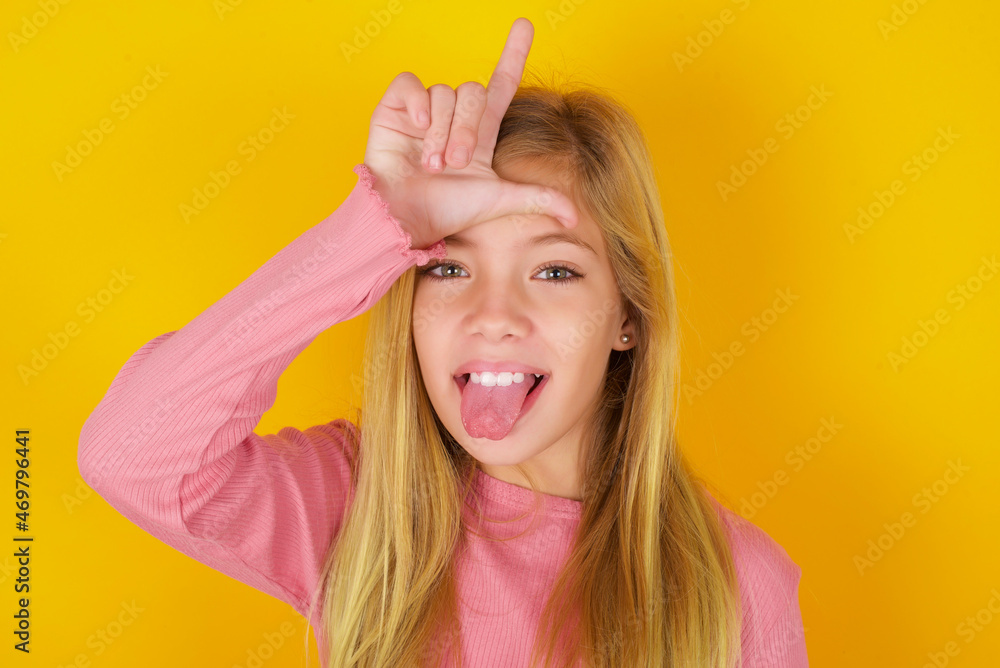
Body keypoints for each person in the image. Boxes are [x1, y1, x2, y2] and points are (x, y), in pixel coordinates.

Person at [77, 17, 807, 668]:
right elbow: (131, 453)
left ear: (629, 318)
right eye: (450, 266)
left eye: (554, 270)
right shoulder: (361, 505)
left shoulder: (736, 584)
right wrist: (377, 226)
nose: (494, 315)